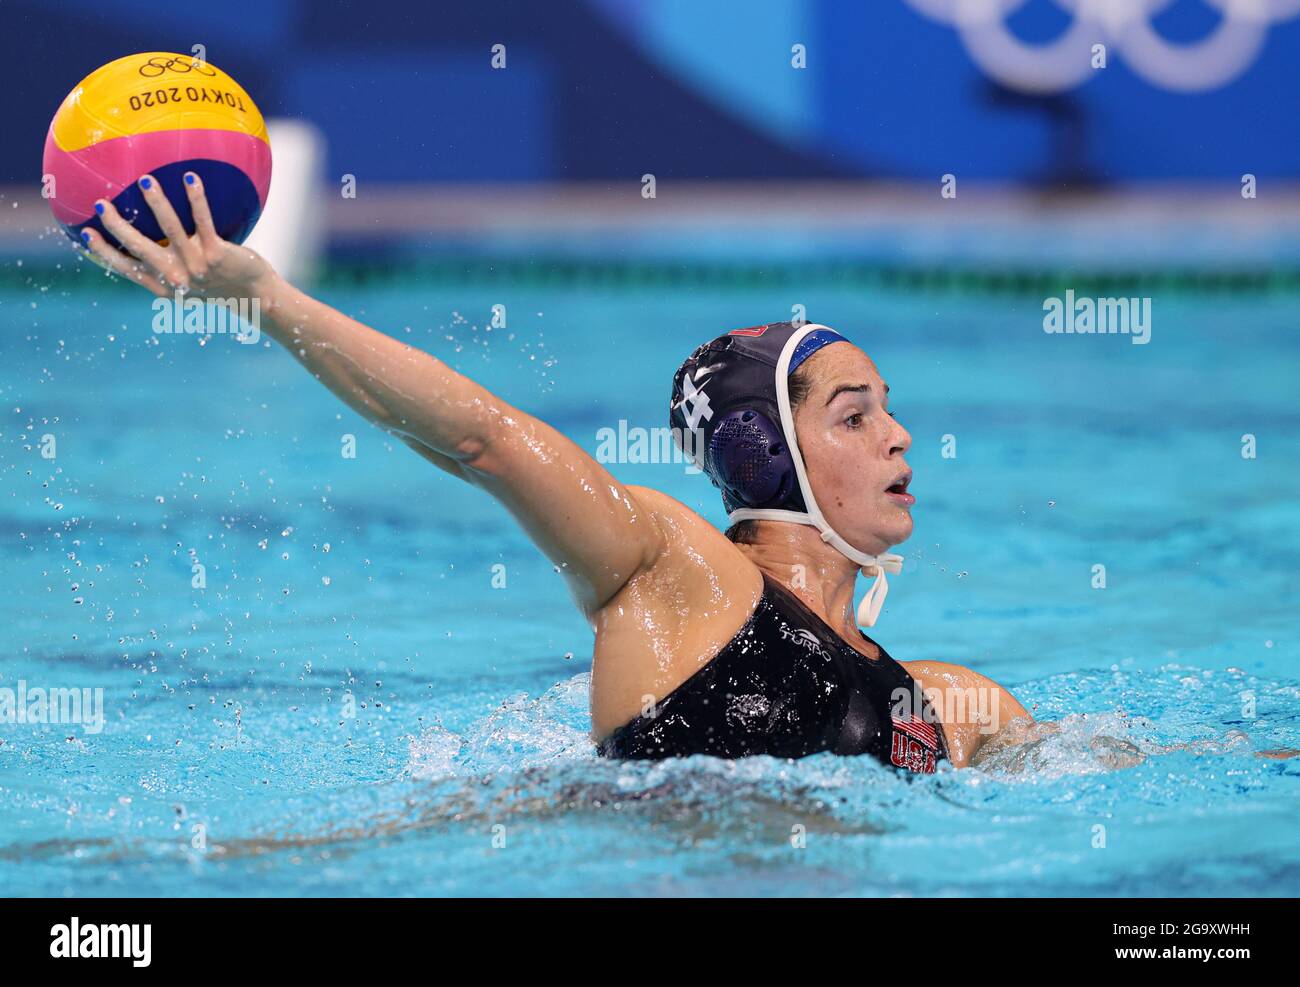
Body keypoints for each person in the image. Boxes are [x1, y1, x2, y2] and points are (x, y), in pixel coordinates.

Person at [81, 173, 1037, 774]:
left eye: (890, 409)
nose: (901, 438)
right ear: (761, 455)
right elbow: (481, 439)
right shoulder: (682, 574)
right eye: (855, 415)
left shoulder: (950, 703)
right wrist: (267, 300)